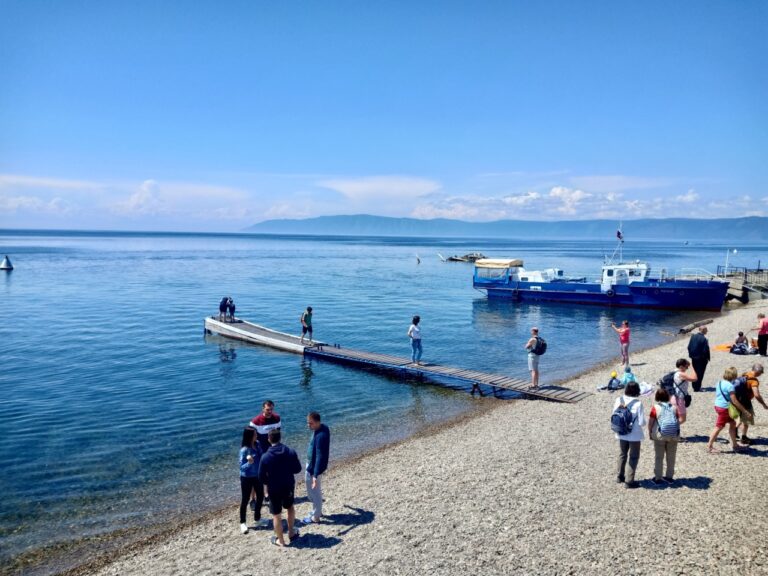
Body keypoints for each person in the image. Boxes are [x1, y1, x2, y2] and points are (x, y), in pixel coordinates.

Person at [259, 429, 302, 547]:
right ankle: (292, 533)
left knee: (276, 515)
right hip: (288, 485)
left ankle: (281, 541)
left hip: (274, 488)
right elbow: (298, 469)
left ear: (268, 439)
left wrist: (269, 482)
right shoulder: (290, 452)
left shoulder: (265, 457)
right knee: (290, 508)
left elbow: (261, 477)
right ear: (280, 437)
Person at [706, 367, 749, 453]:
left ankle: (735, 445)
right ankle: (709, 446)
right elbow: (735, 401)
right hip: (724, 408)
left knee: (732, 424)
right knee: (719, 427)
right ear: (734, 375)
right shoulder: (730, 386)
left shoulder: (719, 382)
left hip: (718, 405)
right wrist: (744, 411)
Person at [613, 381, 645, 488]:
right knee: (634, 456)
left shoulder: (619, 400)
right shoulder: (638, 403)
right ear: (637, 391)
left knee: (622, 454)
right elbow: (641, 422)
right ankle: (629, 481)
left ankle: (619, 476)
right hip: (634, 435)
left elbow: (614, 414)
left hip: (621, 432)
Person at [303, 411, 330, 524]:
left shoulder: (320, 436)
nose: (308, 425)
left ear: (318, 422)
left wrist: (315, 474)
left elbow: (319, 455)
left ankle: (316, 516)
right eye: (308, 423)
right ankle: (317, 511)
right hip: (312, 464)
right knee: (312, 491)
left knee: (314, 492)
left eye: (311, 423)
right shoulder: (322, 428)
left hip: (314, 467)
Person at [647, 388, 679, 485]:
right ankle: (669, 477)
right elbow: (677, 420)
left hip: (660, 435)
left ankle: (658, 478)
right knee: (671, 457)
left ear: (657, 397)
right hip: (673, 435)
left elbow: (651, 422)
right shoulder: (674, 407)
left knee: (659, 457)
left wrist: (650, 432)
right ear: (668, 396)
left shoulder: (655, 407)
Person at [238, 428, 266, 534]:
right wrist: (249, 462)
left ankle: (257, 518)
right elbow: (241, 468)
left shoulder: (257, 444)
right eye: (255, 434)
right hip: (246, 477)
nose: (257, 436)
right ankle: (242, 522)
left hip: (257, 476)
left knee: (261, 496)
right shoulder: (244, 450)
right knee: (245, 499)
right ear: (249, 436)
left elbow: (262, 456)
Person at [735, 364, 765, 445]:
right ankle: (743, 437)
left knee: (740, 416)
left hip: (737, 399)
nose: (761, 374)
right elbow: (757, 395)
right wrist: (763, 404)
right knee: (747, 419)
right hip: (746, 401)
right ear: (758, 372)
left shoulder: (744, 374)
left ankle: (734, 431)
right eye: (761, 373)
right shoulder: (754, 381)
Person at [671, 358, 697, 426]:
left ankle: (675, 434)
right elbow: (695, 378)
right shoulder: (681, 374)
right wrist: (691, 366)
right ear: (681, 366)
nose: (687, 368)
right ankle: (670, 428)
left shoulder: (674, 372)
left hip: (673, 398)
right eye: (686, 366)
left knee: (676, 417)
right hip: (679, 399)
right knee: (683, 419)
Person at [687, 326, 710, 392]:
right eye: (706, 330)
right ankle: (697, 387)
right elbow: (705, 350)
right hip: (701, 359)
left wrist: (691, 355)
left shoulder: (693, 336)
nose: (707, 331)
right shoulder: (704, 339)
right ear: (703, 330)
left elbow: (689, 347)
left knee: (694, 372)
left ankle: (694, 386)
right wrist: (706, 358)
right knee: (700, 373)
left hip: (694, 358)